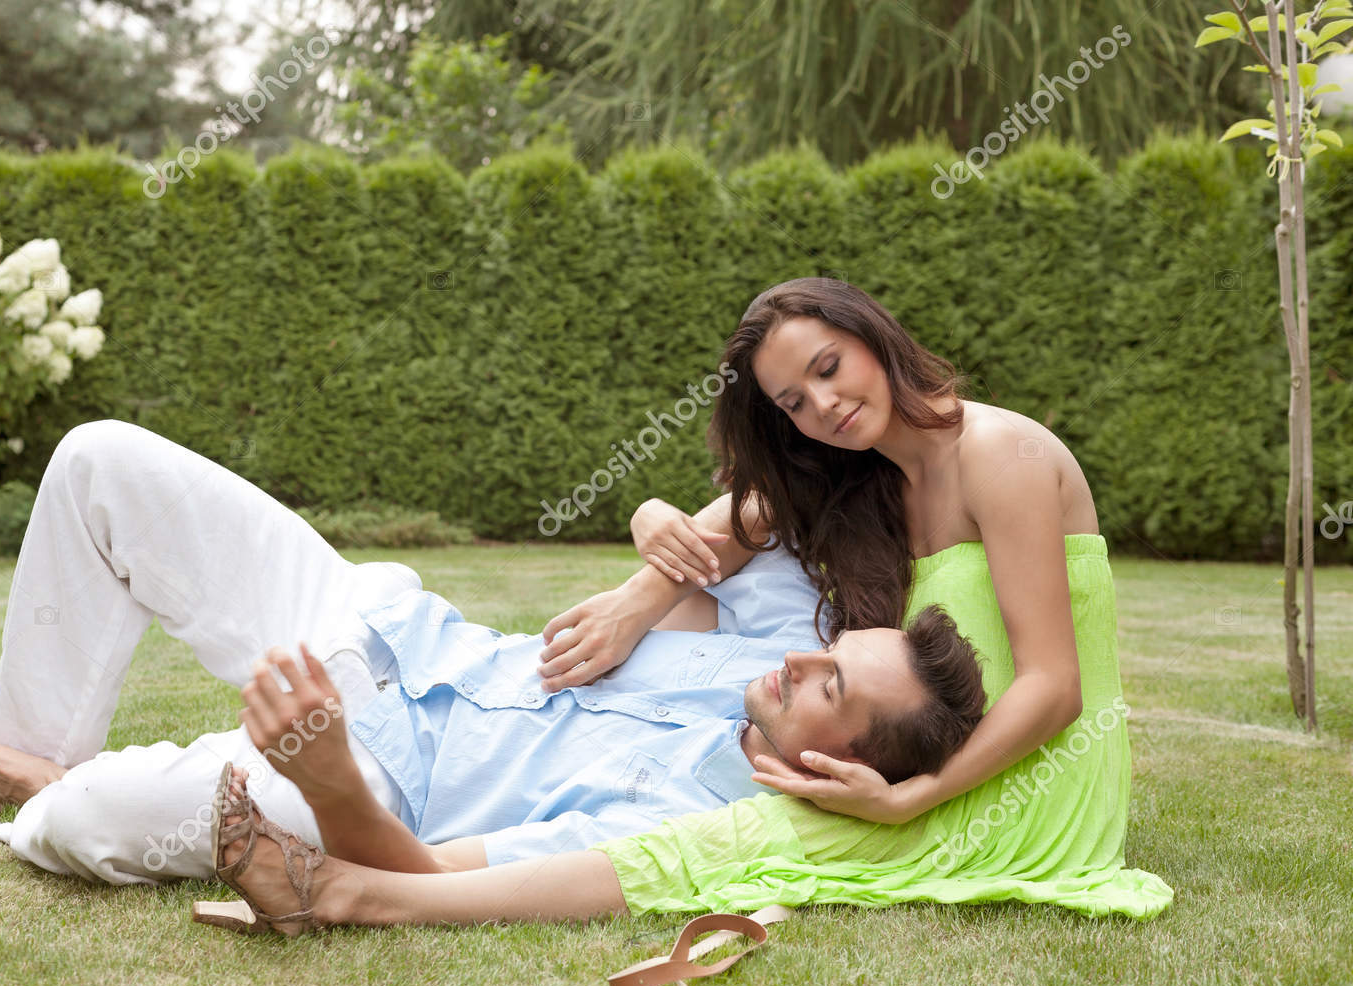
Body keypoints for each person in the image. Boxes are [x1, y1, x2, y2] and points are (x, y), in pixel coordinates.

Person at [200, 276, 1173, 931]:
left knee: (711, 846)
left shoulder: (997, 453)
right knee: (734, 826)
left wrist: (910, 797)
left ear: (871, 336)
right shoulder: (873, 473)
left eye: (828, 367)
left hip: (1014, 776)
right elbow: (737, 522)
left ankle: (357, 892)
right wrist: (647, 565)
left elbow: (1055, 687)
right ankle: (366, 874)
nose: (822, 407)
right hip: (917, 740)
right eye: (792, 403)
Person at [0, 418, 987, 888]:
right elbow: (780, 496)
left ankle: (48, 785)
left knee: (87, 820)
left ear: (835, 763)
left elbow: (418, 876)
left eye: (830, 686)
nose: (802, 663)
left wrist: (328, 773)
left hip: (374, 781)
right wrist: (652, 551)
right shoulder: (774, 643)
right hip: (387, 632)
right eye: (831, 650)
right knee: (101, 461)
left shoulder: (691, 823)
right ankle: (29, 745)